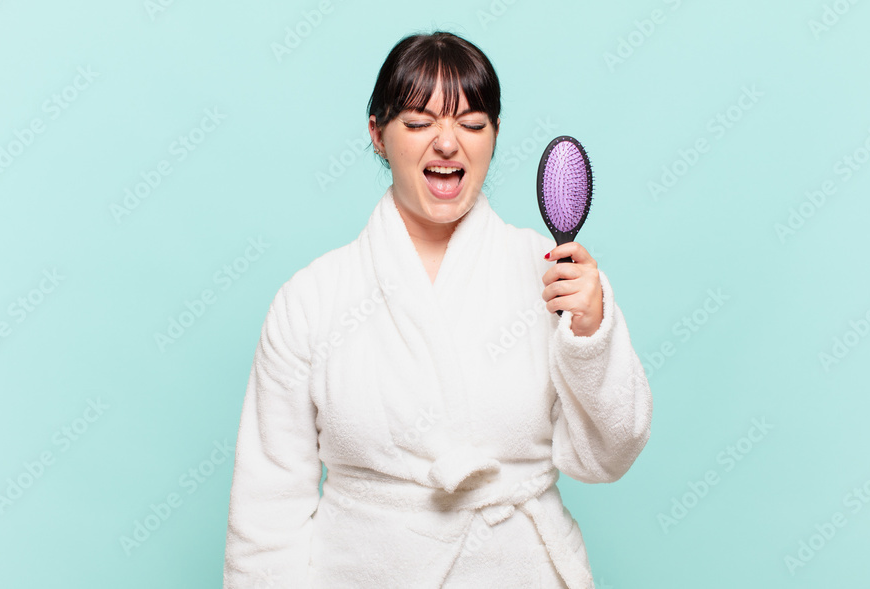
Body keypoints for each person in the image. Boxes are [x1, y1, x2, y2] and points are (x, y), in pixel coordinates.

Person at [223, 30, 652, 589]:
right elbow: (268, 507)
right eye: (419, 122)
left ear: (494, 137)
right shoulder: (312, 300)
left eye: (472, 124)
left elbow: (611, 454)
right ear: (377, 134)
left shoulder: (553, 278)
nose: (447, 143)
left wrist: (592, 334)